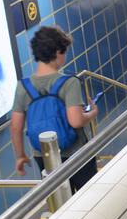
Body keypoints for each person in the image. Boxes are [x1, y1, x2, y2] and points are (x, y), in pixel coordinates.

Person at [10, 25, 99, 194]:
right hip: (75, 152)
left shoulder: (23, 86)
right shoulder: (69, 83)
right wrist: (93, 113)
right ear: (58, 52)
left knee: (59, 199)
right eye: (64, 52)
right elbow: (76, 120)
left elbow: (15, 127)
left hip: (43, 154)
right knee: (88, 196)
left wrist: (21, 155)